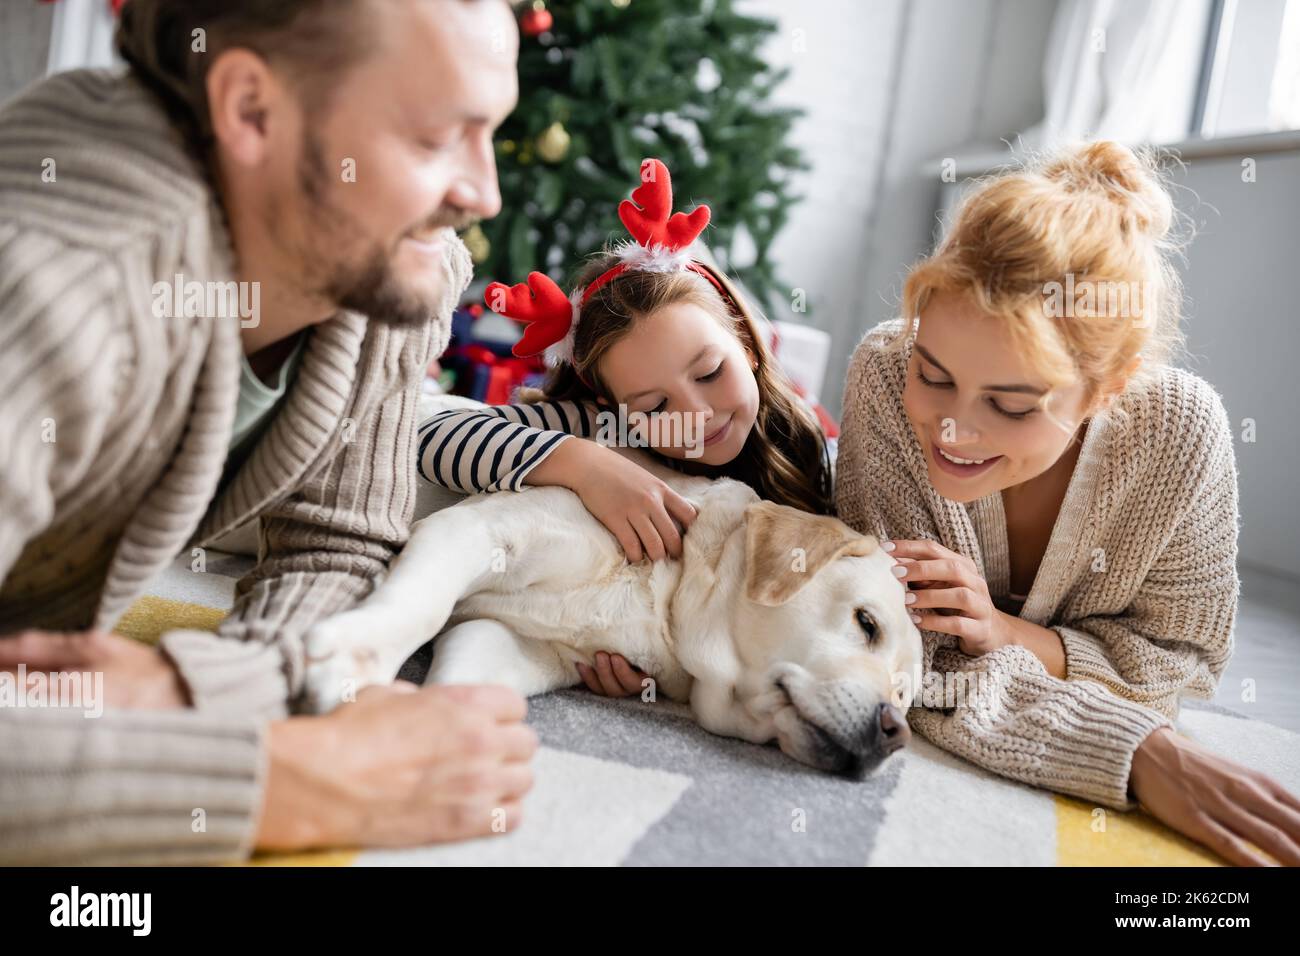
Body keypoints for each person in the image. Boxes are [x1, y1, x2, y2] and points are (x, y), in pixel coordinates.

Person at [0, 0, 539, 865]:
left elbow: (336, 545)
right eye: (439, 137)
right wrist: (293, 780)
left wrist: (188, 690)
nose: (484, 193)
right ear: (251, 109)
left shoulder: (384, 270)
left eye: (493, 134)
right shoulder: (57, 284)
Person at [835, 140, 1300, 866]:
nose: (955, 426)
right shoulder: (885, 373)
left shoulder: (1180, 433)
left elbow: (1176, 663)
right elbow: (909, 660)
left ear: (1108, 388)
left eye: (1011, 405)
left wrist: (1006, 634)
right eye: (936, 375)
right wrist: (1138, 753)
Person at [417, 158, 833, 695]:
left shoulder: (804, 447)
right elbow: (432, 433)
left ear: (748, 346)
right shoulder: (604, 429)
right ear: (612, 406)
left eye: (710, 372)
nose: (696, 415)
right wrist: (584, 464)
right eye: (655, 407)